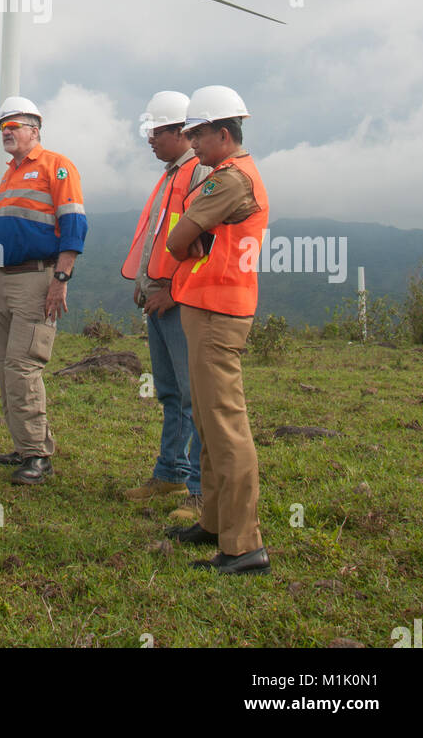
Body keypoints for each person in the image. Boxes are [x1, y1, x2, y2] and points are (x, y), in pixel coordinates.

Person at [164, 86, 271, 575]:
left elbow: (178, 236)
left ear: (223, 133)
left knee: (225, 424)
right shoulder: (230, 175)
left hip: (218, 310)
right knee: (208, 420)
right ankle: (213, 521)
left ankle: (243, 545)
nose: (193, 143)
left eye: (198, 133)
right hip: (209, 305)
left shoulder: (228, 180)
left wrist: (188, 246)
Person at [0, 96, 87, 485]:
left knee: (23, 366)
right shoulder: (10, 172)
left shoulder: (57, 166)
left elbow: (74, 225)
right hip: (1, 280)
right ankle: (25, 443)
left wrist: (61, 279)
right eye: (2, 128)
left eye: (14, 126)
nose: (7, 133)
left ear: (35, 129)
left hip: (36, 279)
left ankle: (37, 457)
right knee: (4, 366)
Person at [121, 91, 209, 518]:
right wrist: (143, 281)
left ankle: (198, 489)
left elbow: (204, 246)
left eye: (157, 132)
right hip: (158, 295)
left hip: (180, 299)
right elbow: (160, 236)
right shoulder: (171, 173)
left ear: (181, 132)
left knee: (193, 396)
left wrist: (171, 291)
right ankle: (170, 473)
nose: (150, 140)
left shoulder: (197, 175)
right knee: (171, 392)